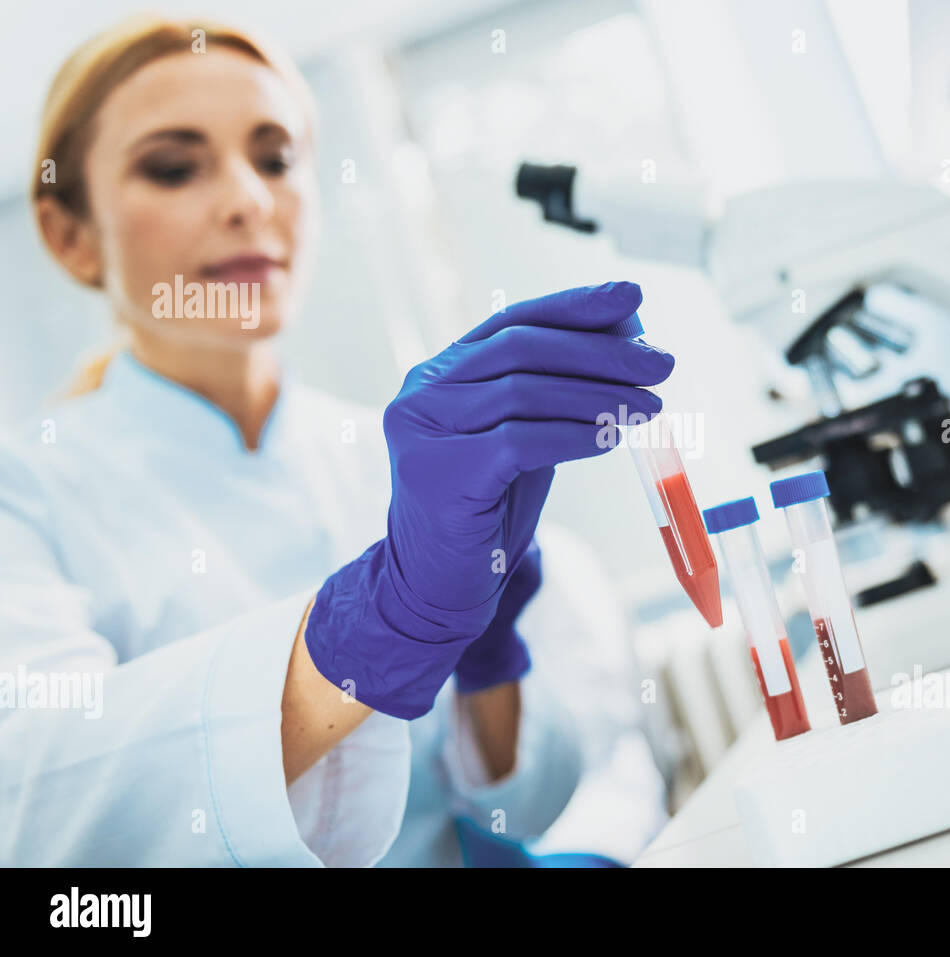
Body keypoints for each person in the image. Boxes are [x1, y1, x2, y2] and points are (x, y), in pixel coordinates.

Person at [0, 15, 671, 866]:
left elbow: (525, 806)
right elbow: (35, 806)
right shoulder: (25, 493)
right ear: (70, 236)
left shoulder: (401, 457)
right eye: (174, 167)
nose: (248, 198)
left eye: (276, 158)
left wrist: (489, 653)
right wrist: (375, 629)